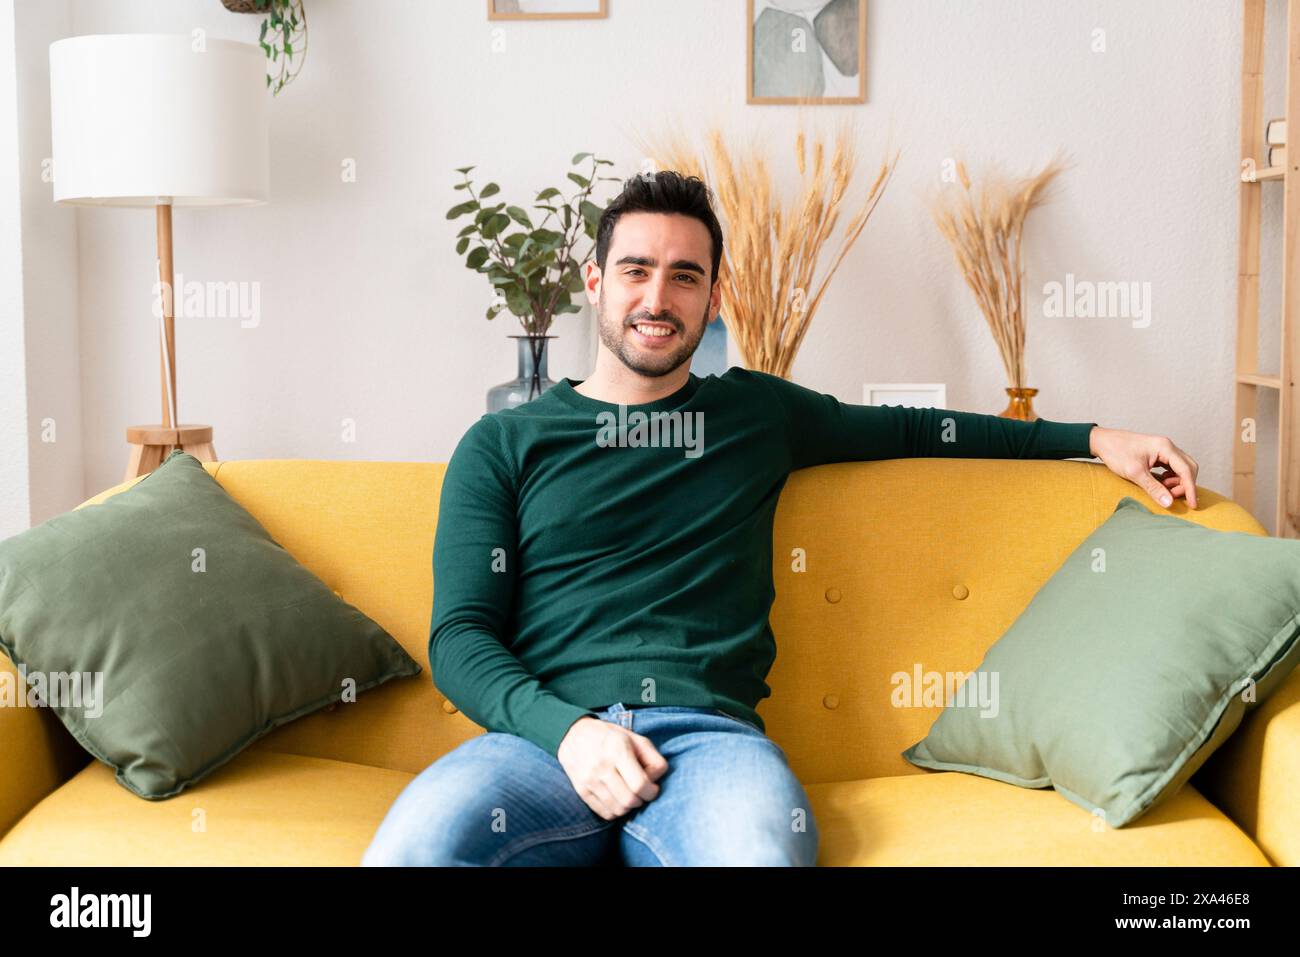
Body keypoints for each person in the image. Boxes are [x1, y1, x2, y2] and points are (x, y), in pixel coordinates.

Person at [362, 170, 1200, 867]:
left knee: (765, 852)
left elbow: (918, 428)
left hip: (706, 742)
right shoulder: (503, 441)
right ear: (595, 282)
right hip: (541, 743)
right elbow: (460, 638)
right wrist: (572, 733)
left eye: (685, 275)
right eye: (636, 269)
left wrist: (1093, 437)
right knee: (416, 847)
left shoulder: (755, 414)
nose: (658, 296)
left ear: (714, 296)